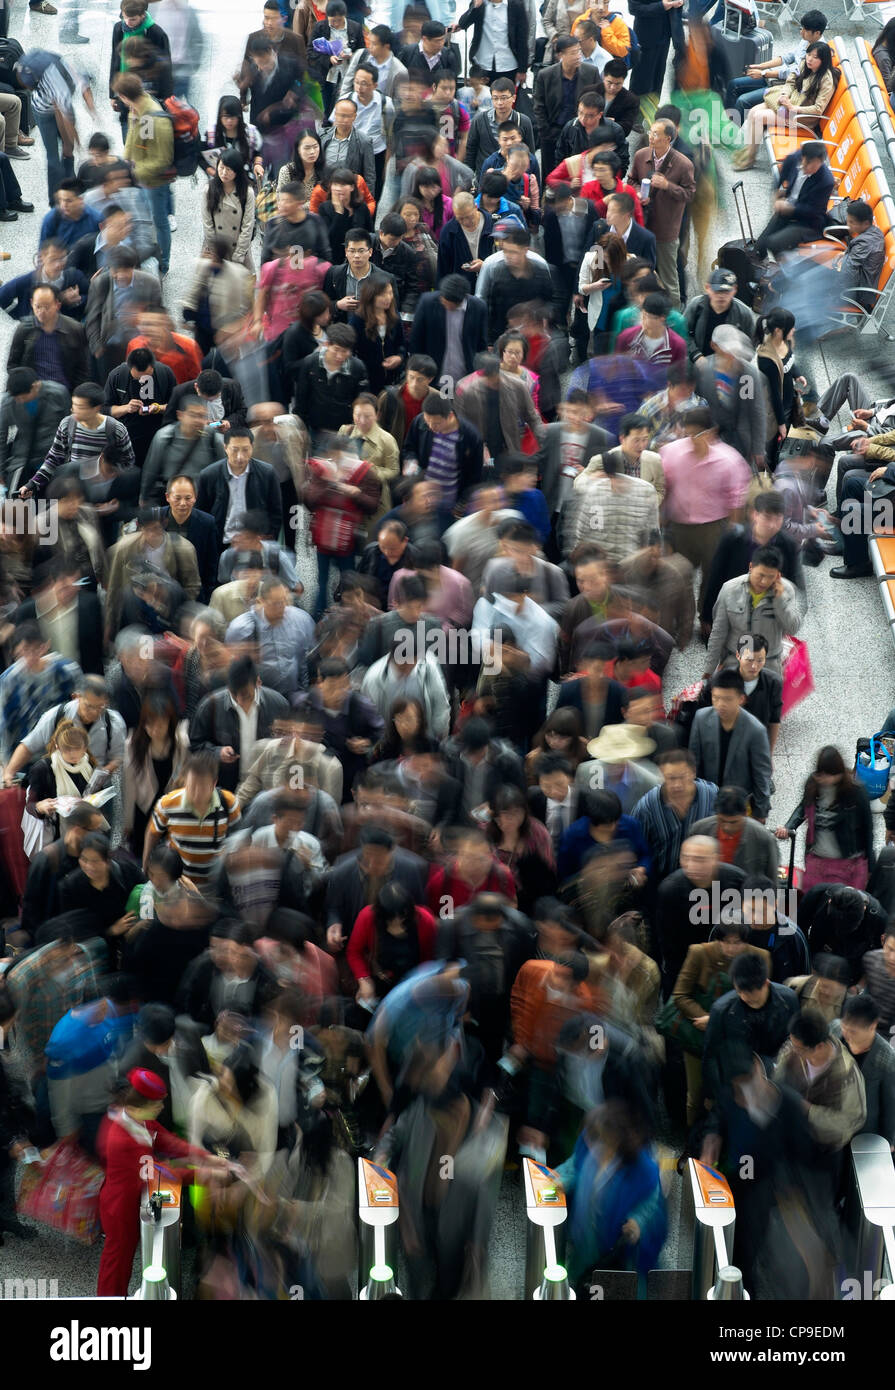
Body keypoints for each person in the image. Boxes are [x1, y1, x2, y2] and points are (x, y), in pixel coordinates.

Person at [96, 1067, 227, 1296]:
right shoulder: (122, 1139)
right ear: (137, 1107)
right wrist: (206, 1174)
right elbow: (160, 1172)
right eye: (156, 1105)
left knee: (122, 1257)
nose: (162, 1108)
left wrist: (204, 1156)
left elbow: (166, 1140)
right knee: (117, 1261)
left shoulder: (138, 1119)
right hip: (120, 1206)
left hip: (134, 1193)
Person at [671, 923, 772, 1126]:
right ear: (718, 940)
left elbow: (760, 999)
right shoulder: (699, 953)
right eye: (726, 942)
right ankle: (694, 1140)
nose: (732, 948)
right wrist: (708, 1018)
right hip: (699, 1037)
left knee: (734, 1093)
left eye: (738, 943)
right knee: (697, 1094)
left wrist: (717, 1019)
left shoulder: (760, 957)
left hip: (738, 1039)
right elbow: (680, 995)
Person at [660, 406, 751, 611]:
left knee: (712, 576)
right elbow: (664, 486)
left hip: (714, 528)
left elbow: (736, 500)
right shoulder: (672, 452)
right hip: (679, 527)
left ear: (711, 432)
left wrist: (731, 534)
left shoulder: (729, 460)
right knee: (676, 576)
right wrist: (662, 518)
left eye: (696, 434)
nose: (691, 439)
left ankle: (707, 616)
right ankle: (679, 617)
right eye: (687, 434)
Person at [776, 745, 875, 893]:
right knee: (815, 903)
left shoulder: (856, 793)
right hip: (817, 860)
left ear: (839, 773)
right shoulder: (813, 784)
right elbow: (804, 806)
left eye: (829, 775)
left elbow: (868, 830)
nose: (824, 780)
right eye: (821, 774)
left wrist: (870, 867)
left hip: (848, 863)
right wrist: (789, 826)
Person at [704, 545, 803, 680]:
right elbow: (718, 633)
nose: (764, 582)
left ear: (778, 575)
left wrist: (779, 600)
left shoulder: (787, 590)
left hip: (769, 665)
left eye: (770, 577)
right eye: (760, 575)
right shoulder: (730, 589)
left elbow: (793, 628)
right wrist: (709, 669)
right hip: (734, 662)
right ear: (751, 567)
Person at [734, 46, 838, 172]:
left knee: (758, 117)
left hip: (802, 117)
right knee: (753, 112)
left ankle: (749, 159)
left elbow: (818, 109)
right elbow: (790, 82)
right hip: (790, 101)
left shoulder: (826, 80)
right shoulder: (805, 64)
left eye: (815, 57)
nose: (810, 59)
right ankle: (748, 150)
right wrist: (784, 95)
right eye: (808, 54)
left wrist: (793, 107)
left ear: (823, 60)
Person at [144, 749, 241, 881]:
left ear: (214, 783)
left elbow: (238, 836)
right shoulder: (168, 803)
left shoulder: (229, 803)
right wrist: (146, 865)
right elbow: (152, 833)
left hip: (213, 884)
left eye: (202, 787)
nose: (195, 794)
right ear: (185, 781)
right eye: (191, 786)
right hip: (178, 883)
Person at [112, 73, 174, 278]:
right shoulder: (137, 108)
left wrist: (134, 171)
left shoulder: (151, 117)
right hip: (141, 178)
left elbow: (162, 159)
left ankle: (163, 263)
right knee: (144, 220)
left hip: (154, 182)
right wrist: (126, 160)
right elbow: (134, 138)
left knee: (159, 222)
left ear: (125, 96)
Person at [629, 120, 694, 310]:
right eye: (651, 132)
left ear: (668, 138)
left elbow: (689, 194)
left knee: (668, 278)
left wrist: (668, 186)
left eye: (656, 134)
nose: (651, 136)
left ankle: (672, 316)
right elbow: (631, 179)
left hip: (665, 228)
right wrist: (639, 192)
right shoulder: (641, 155)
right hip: (642, 223)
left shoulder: (683, 164)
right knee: (639, 273)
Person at [195, 426, 283, 549]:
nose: (240, 456)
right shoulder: (209, 475)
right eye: (234, 450)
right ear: (225, 448)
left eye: (245, 450)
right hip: (220, 541)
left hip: (256, 542)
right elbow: (201, 513)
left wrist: (266, 537)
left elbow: (276, 512)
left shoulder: (267, 473)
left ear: (252, 447)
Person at [834, 995, 895, 1146]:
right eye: (844, 1028)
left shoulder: (886, 1058)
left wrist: (888, 1141)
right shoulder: (835, 1031)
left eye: (853, 1031)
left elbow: (890, 1104)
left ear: (872, 1026)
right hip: (832, 1123)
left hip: (863, 1132)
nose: (846, 1034)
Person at [408, 274, 489, 388]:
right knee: (440, 403)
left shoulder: (478, 307)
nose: (444, 303)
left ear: (461, 300)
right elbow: (416, 339)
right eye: (443, 300)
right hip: (435, 372)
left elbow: (482, 343)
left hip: (465, 373)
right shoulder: (428, 302)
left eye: (449, 303)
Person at [7, 285, 90, 395]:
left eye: (46, 307)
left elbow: (83, 368)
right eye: (38, 307)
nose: (41, 312)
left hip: (63, 392)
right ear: (32, 303)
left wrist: (75, 396)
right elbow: (13, 364)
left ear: (57, 305)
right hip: (32, 391)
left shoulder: (74, 329)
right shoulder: (24, 329)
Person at [0, 368, 70, 496]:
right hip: (22, 461)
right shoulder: (8, 402)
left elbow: (68, 428)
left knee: (49, 508)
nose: (18, 401)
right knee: (17, 510)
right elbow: (2, 438)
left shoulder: (58, 393)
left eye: (22, 398)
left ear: (35, 386)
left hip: (51, 460)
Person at [684, 268, 756, 366]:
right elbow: (683, 333)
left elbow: (752, 344)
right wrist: (696, 356)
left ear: (734, 289)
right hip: (697, 365)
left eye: (726, 292)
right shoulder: (696, 306)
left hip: (729, 368)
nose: (721, 296)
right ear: (707, 288)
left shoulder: (744, 313)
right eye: (717, 291)